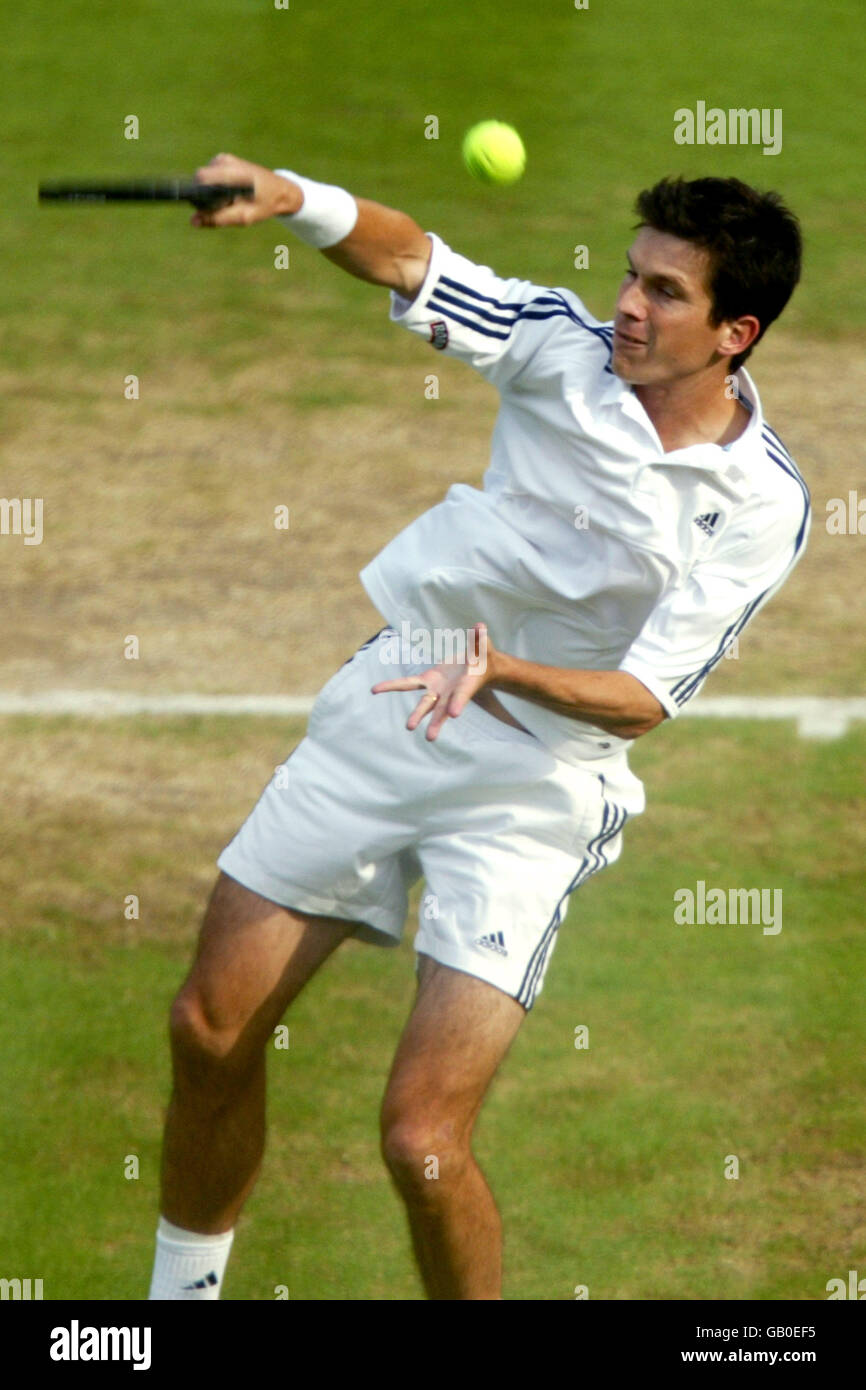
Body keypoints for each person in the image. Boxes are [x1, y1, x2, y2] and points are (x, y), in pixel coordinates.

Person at [148, 155, 808, 1301]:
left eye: (663, 293)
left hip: (536, 786)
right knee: (209, 1029)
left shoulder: (759, 503)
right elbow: (410, 257)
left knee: (422, 1140)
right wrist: (295, 198)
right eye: (628, 275)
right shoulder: (558, 345)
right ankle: (178, 1304)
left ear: (733, 331)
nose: (626, 306)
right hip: (397, 700)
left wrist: (504, 668)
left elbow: (646, 701)